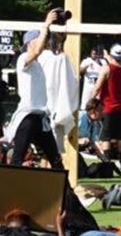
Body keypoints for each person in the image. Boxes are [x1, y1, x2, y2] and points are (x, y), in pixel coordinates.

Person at [5, 12, 76, 169]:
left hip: (40, 119)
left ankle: (66, 193)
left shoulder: (39, 63)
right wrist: (46, 24)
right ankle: (9, 192)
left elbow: (54, 47)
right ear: (30, 43)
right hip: (27, 118)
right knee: (17, 160)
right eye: (40, 39)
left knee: (56, 161)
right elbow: (36, 50)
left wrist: (60, 27)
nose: (44, 42)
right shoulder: (23, 58)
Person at [94, 43, 121, 157]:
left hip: (108, 107)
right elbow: (115, 62)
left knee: (106, 137)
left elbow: (97, 87)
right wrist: (107, 56)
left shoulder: (106, 69)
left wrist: (91, 101)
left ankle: (107, 160)